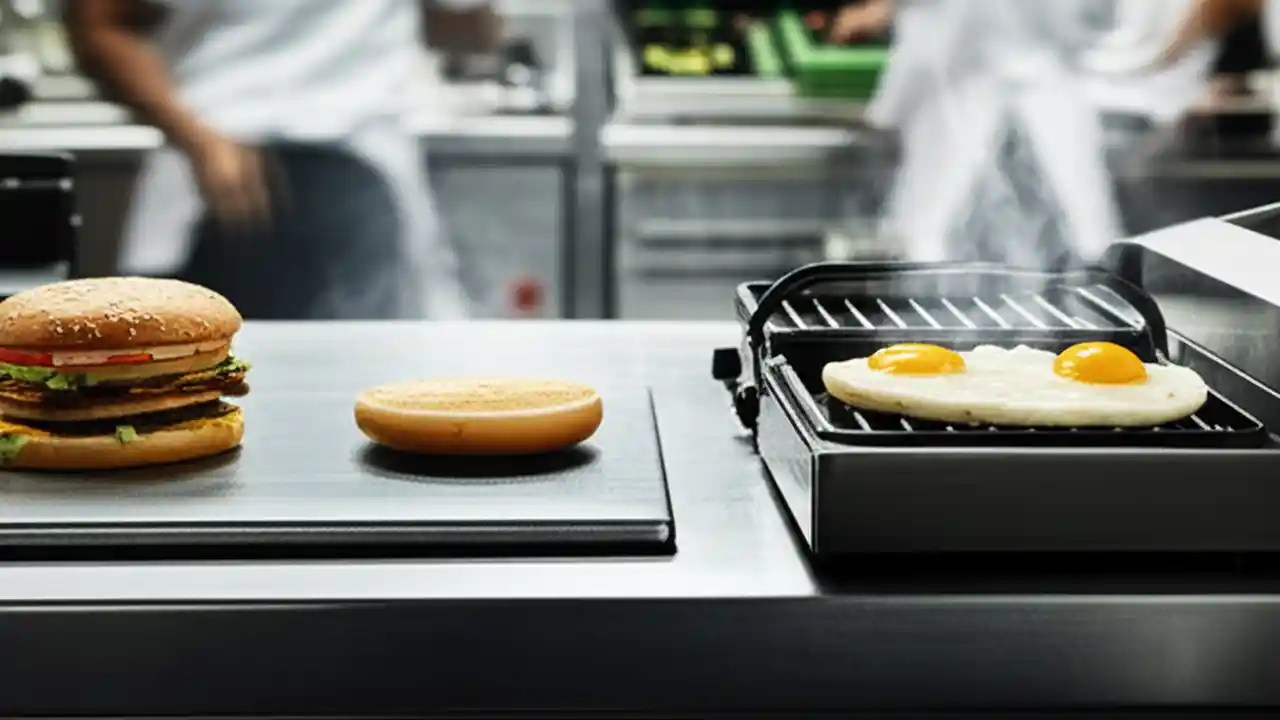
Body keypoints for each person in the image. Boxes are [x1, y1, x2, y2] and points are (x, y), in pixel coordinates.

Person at [67, 0, 495, 319]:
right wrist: (199, 141)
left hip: (350, 176)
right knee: (169, 391)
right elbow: (99, 26)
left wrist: (199, 141)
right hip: (212, 179)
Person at [828, 0, 1122, 270]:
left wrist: (887, 111)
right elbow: (1099, 20)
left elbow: (928, 44)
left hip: (977, 88)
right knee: (1087, 245)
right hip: (1047, 87)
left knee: (927, 239)